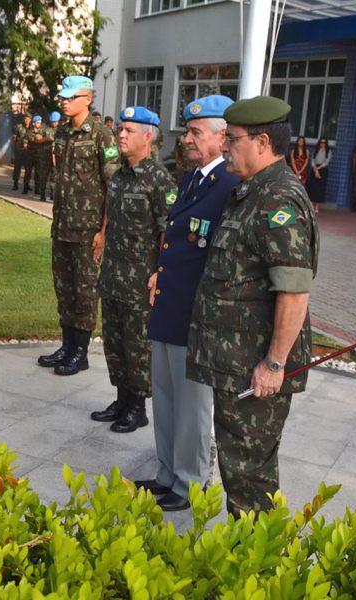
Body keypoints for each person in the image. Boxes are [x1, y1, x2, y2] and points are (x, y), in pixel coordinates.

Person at [186, 96, 319, 517]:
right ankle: (247, 565)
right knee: (239, 472)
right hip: (236, 362)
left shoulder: (277, 200)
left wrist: (275, 364)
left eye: (234, 139)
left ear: (262, 142)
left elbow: (294, 292)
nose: (225, 147)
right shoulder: (252, 192)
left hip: (255, 368)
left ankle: (254, 573)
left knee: (249, 480)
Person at [133, 95, 238, 511]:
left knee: (193, 405)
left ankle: (190, 483)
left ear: (222, 137)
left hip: (196, 314)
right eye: (187, 131)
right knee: (166, 396)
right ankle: (167, 473)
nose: (186, 139)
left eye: (195, 133)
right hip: (170, 305)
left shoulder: (229, 185)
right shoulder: (194, 178)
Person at [93, 106, 174, 433]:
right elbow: (110, 216)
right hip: (113, 275)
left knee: (137, 346)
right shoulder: (119, 177)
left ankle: (138, 407)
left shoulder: (159, 180)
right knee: (114, 342)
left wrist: (161, 272)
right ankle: (122, 398)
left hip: (140, 281)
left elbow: (169, 229)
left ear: (148, 136)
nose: (121, 135)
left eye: (128, 131)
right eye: (121, 129)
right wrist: (100, 235)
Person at [38, 76, 119, 376]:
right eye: (63, 96)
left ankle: (80, 352)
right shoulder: (62, 132)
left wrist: (103, 232)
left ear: (87, 98)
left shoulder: (102, 135)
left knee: (85, 290)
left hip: (88, 230)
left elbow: (112, 186)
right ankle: (67, 345)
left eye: (71, 97)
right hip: (61, 225)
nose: (64, 101)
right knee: (64, 286)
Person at [33, 113, 57, 201]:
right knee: (43, 175)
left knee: (54, 175)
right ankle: (42, 194)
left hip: (56, 156)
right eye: (53, 121)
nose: (54, 123)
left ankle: (52, 194)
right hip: (44, 156)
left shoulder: (61, 129)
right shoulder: (43, 128)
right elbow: (37, 139)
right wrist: (46, 139)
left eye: (56, 122)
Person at [308, 137, 331, 213]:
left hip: (323, 170)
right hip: (314, 169)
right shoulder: (316, 150)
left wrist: (318, 169)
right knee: (313, 187)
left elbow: (326, 162)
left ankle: (317, 206)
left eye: (324, 143)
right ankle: (311, 205)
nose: (322, 144)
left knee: (320, 188)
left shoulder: (328, 151)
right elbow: (312, 160)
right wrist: (315, 169)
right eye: (321, 142)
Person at [23, 115, 43, 195]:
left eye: (40, 123)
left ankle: (37, 189)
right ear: (34, 123)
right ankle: (25, 187)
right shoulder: (29, 132)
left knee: (38, 173)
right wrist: (25, 144)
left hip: (39, 155)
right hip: (30, 155)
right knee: (28, 172)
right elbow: (25, 141)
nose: (39, 124)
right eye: (38, 123)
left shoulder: (42, 132)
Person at [12, 114, 31, 191]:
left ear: (30, 119)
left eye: (28, 119)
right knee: (17, 167)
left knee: (28, 168)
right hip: (19, 150)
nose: (26, 120)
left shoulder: (32, 128)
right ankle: (15, 183)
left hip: (29, 151)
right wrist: (16, 146)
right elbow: (14, 137)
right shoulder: (18, 126)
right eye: (25, 119)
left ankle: (27, 184)